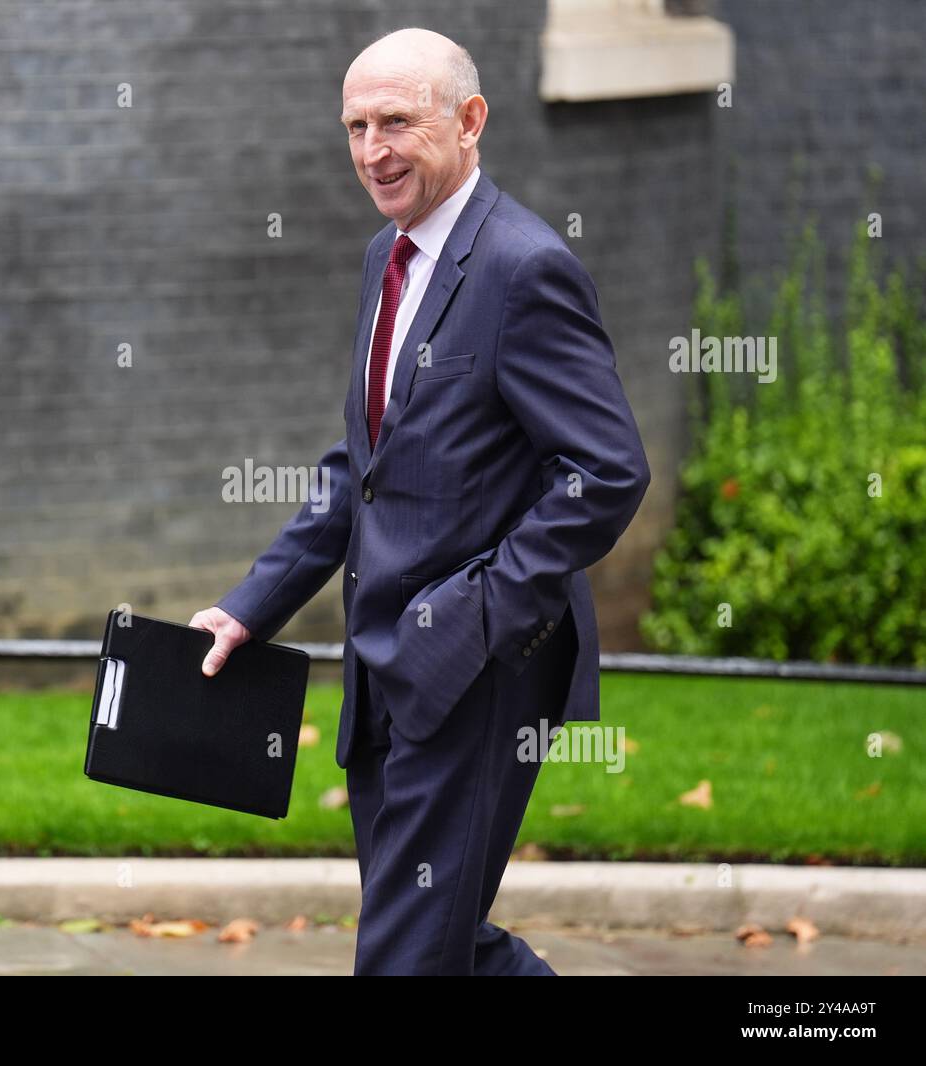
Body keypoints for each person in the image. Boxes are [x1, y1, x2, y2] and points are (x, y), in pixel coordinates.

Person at [189, 26, 650, 975]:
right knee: (444, 948)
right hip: (381, 672)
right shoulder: (384, 258)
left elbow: (606, 470)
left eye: (396, 120)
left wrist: (478, 613)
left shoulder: (524, 268)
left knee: (403, 957)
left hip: (476, 676)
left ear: (470, 121)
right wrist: (250, 608)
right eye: (355, 125)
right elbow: (358, 467)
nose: (371, 149)